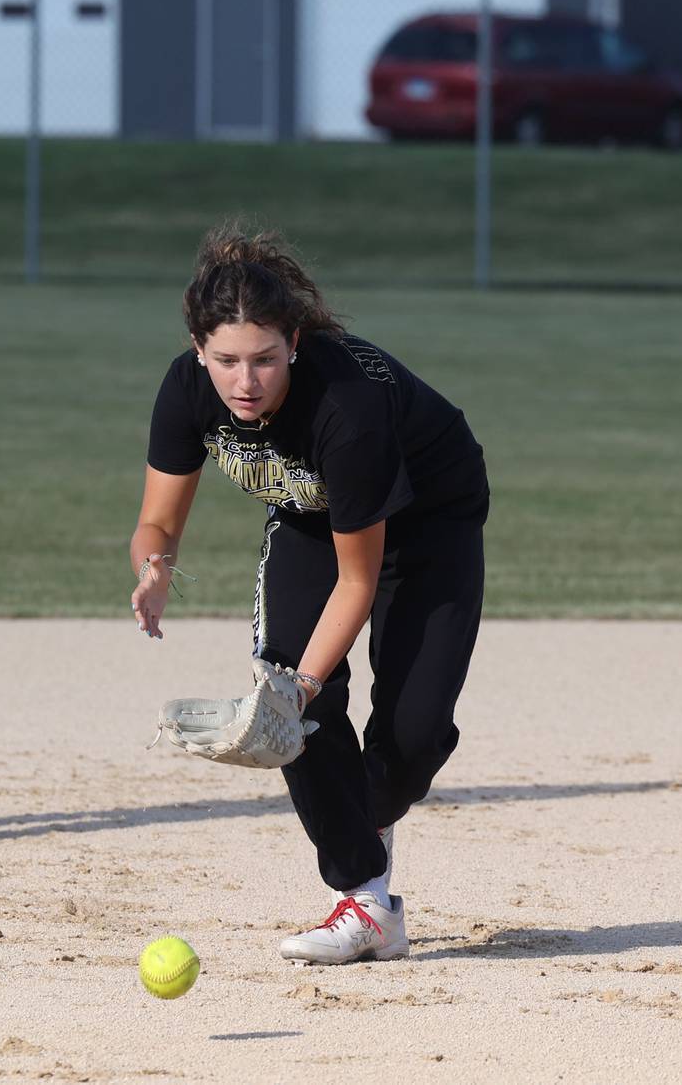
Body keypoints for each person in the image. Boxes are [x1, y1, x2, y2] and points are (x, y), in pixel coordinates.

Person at [130, 226, 489, 964]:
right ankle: (365, 899)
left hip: (430, 519)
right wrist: (155, 568)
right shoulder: (187, 389)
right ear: (199, 349)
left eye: (264, 359)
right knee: (291, 704)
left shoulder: (346, 411)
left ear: (294, 340)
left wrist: (300, 688)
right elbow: (155, 522)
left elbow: (360, 581)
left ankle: (367, 817)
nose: (245, 382)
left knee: (411, 734)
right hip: (310, 522)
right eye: (226, 360)